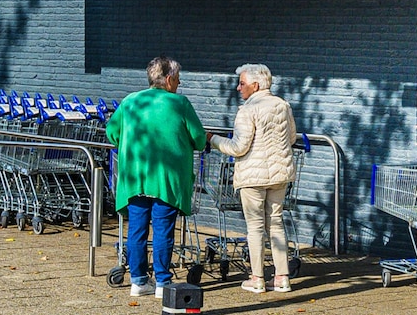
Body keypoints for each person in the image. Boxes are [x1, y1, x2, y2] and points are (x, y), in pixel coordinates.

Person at [106, 56, 206, 298]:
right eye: (178, 80)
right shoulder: (179, 104)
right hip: (166, 178)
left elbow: (112, 133)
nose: (179, 84)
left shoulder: (130, 101)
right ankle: (163, 282)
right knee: (163, 230)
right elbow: (200, 139)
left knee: (137, 230)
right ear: (169, 79)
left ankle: (138, 281)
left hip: (135, 177)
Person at [208, 64, 298, 293]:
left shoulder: (248, 110)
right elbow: (292, 137)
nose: (238, 88)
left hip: (253, 177)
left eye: (242, 83)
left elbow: (238, 147)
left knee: (256, 227)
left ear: (255, 85)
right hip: (279, 174)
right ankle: (282, 277)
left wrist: (213, 140)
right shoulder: (282, 105)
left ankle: (257, 277)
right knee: (276, 223)